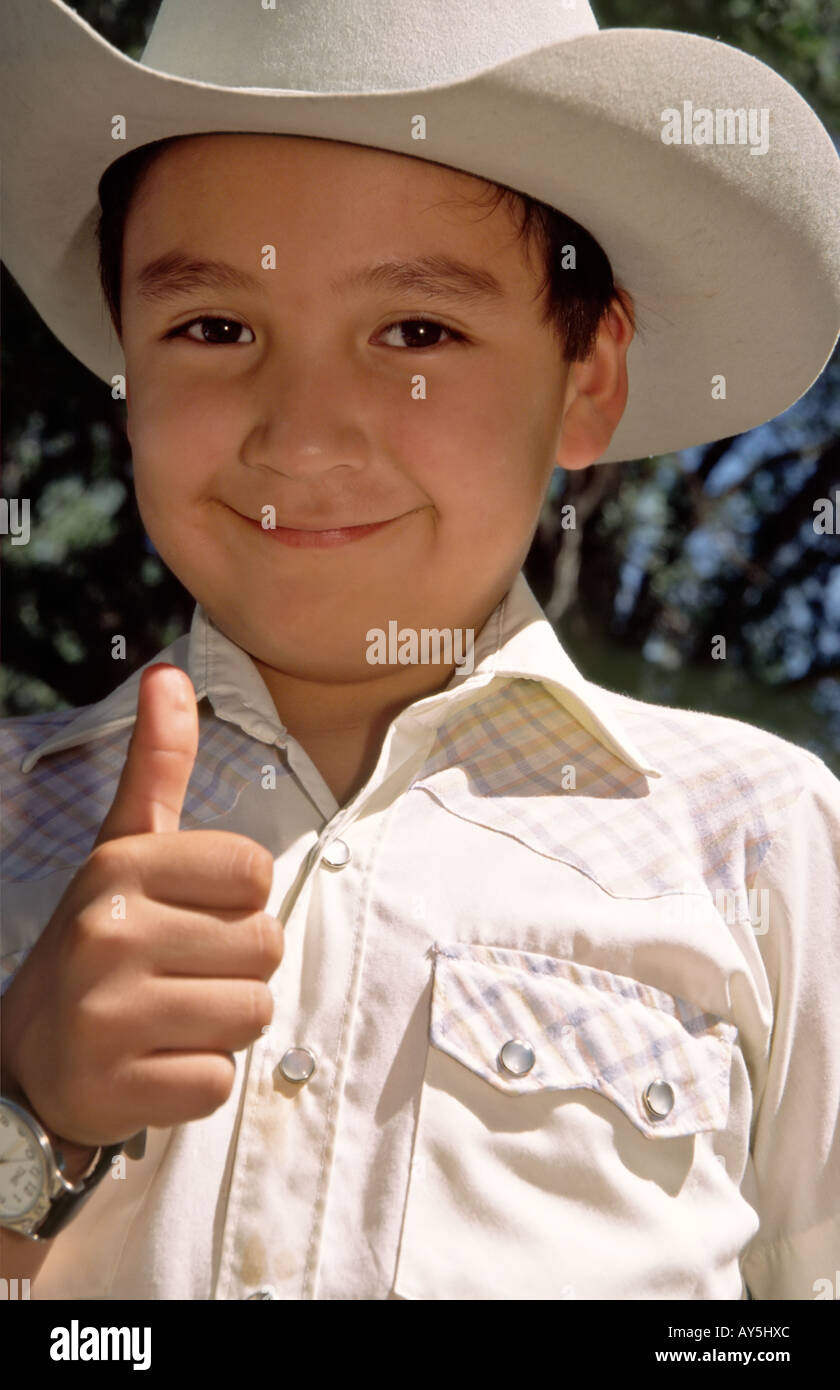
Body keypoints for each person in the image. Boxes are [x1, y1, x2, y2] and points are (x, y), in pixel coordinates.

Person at [1, 0, 838, 1301]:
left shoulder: (771, 846)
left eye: (417, 333)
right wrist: (24, 1118)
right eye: (214, 327)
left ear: (588, 377)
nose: (306, 435)